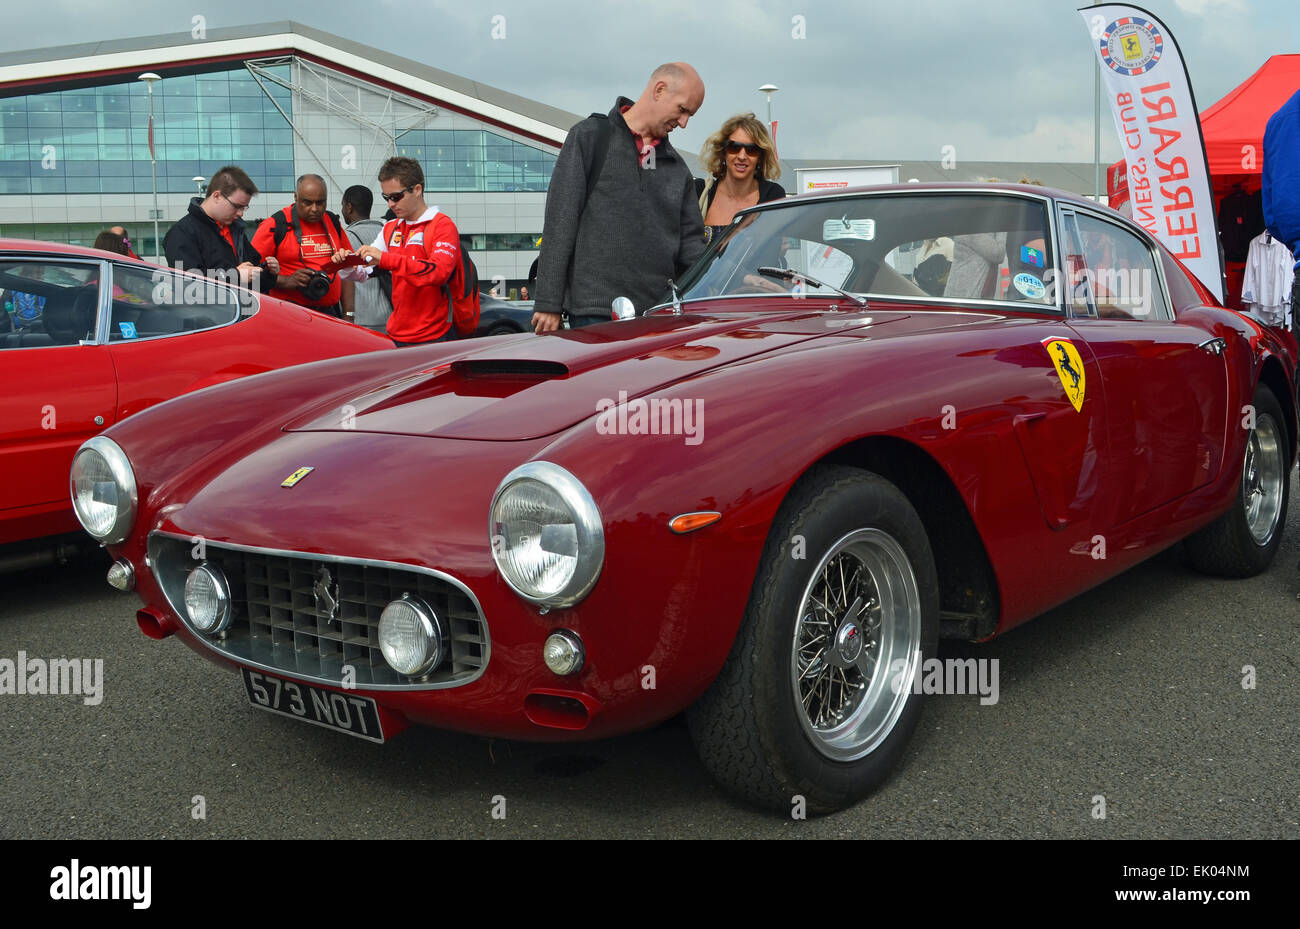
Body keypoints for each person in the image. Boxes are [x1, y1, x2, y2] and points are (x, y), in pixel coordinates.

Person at [531, 62, 707, 332]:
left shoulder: (678, 170)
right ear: (659, 90)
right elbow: (560, 221)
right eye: (682, 110)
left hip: (656, 318)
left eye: (690, 116)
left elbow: (692, 251)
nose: (683, 123)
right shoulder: (589, 137)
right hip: (593, 313)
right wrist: (548, 303)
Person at [332, 156, 472, 346]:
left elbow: (438, 272)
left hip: (435, 336)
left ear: (417, 190)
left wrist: (386, 259)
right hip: (397, 335)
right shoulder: (391, 228)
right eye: (386, 197)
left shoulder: (442, 225)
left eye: (396, 197)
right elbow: (365, 272)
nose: (390, 204)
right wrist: (346, 264)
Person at [163, 165, 278, 292]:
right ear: (217, 196)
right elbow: (187, 283)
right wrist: (235, 276)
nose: (241, 213)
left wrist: (268, 272)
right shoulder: (182, 232)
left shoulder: (235, 229)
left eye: (244, 207)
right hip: (205, 311)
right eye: (236, 206)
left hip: (241, 309)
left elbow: (254, 282)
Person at [251, 174, 351, 318]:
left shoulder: (332, 222)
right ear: (296, 197)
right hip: (288, 314)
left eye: (320, 202)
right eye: (307, 202)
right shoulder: (275, 225)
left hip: (330, 315)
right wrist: (285, 281)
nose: (314, 209)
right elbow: (250, 272)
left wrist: (349, 314)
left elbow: (347, 272)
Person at [695, 113, 785, 243]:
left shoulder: (772, 196)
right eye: (735, 147)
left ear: (760, 156)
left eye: (751, 149)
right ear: (724, 151)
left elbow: (771, 251)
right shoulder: (699, 192)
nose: (742, 156)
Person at [340, 184, 392, 332]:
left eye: (343, 205)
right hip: (391, 314)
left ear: (349, 207)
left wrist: (348, 315)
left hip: (362, 319)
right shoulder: (386, 232)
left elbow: (346, 279)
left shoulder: (347, 236)